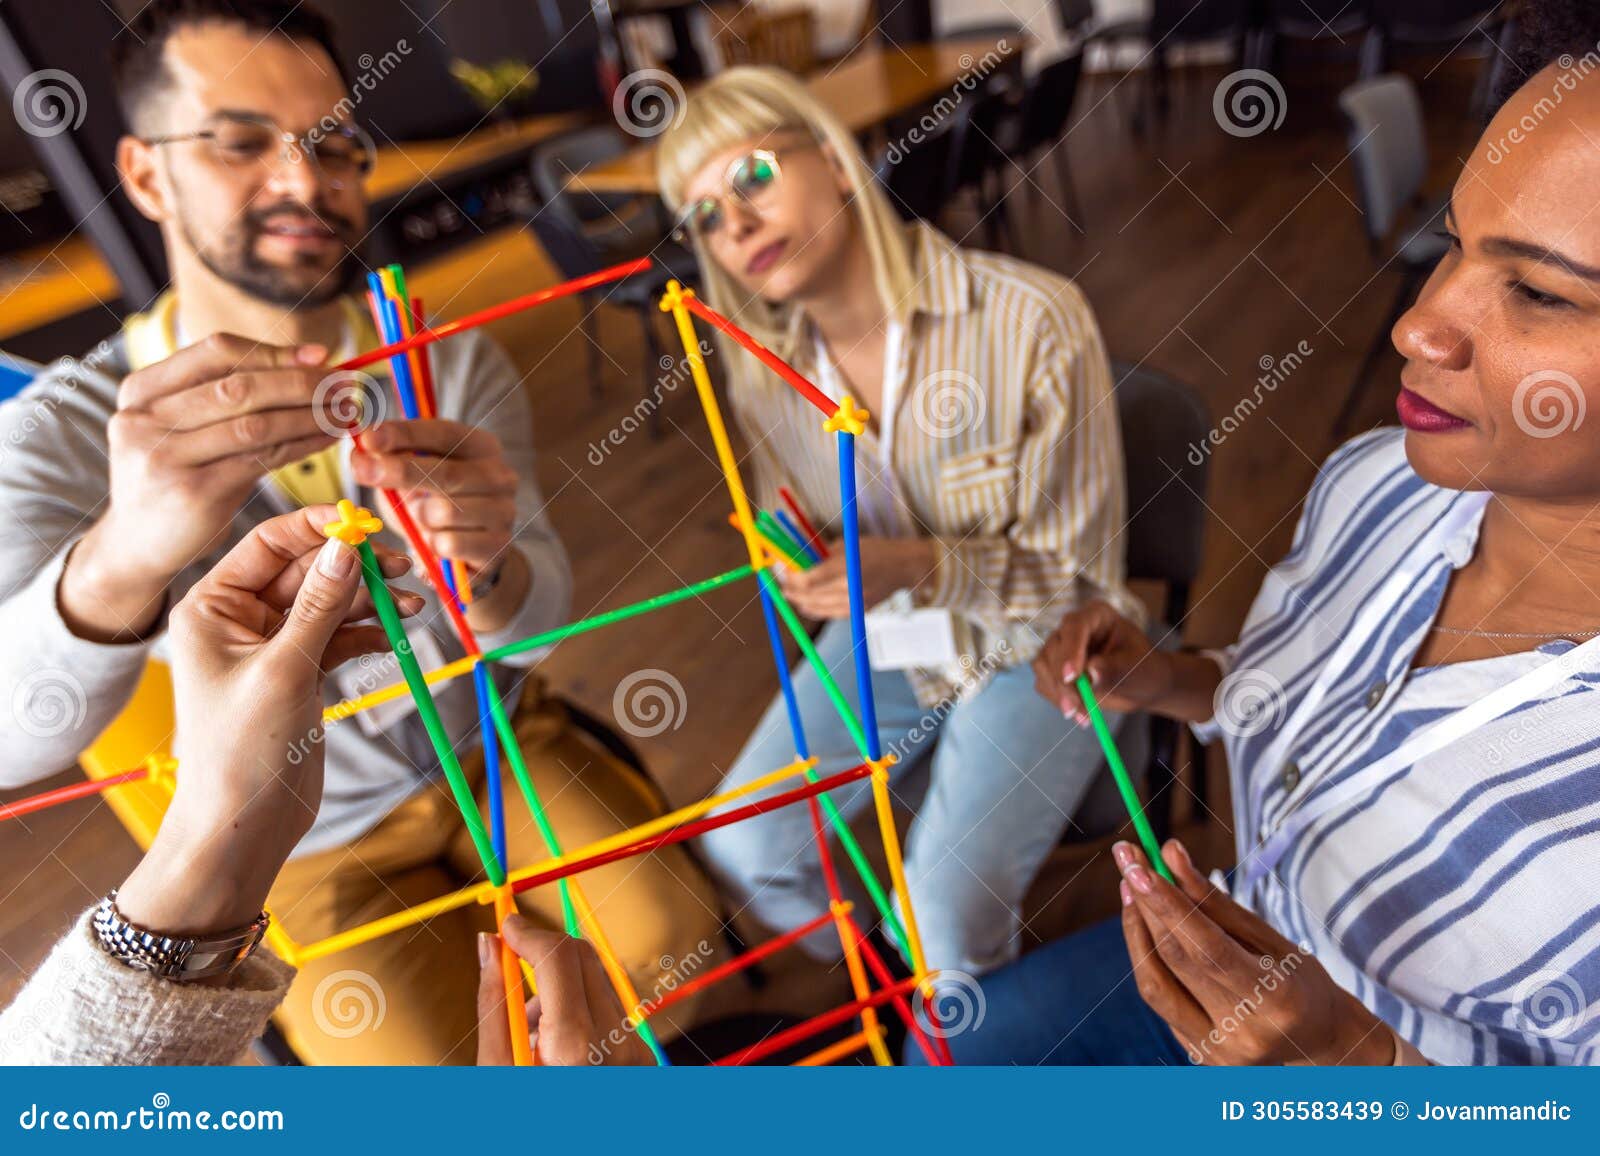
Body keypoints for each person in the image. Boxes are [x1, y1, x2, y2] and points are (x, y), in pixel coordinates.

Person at [0, 0, 717, 1064]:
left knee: (674, 950)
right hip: (303, 841)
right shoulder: (61, 432)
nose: (305, 181)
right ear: (146, 176)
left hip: (493, 750)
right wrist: (124, 554)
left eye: (331, 144)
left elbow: (536, 630)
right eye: (242, 140)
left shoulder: (440, 362)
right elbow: (18, 740)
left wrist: (488, 572)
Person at [923, 2, 1600, 1066]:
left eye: (1538, 290)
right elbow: (1292, 691)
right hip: (1231, 949)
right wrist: (1172, 679)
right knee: (950, 1051)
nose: (1416, 324)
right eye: (1457, 245)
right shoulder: (1377, 485)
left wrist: (1360, 1065)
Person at [655, 67, 1145, 979]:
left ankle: (955, 1020)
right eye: (705, 219)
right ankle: (907, 993)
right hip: (887, 635)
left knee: (947, 916)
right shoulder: (763, 376)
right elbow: (803, 536)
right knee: (745, 852)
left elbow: (1081, 582)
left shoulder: (1032, 317)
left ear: (837, 162)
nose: (737, 224)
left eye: (752, 177)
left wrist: (916, 561)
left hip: (1048, 638)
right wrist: (804, 568)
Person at [0, 509, 648, 1066]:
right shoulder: (51, 454)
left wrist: (489, 568)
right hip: (316, 853)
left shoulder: (426, 379)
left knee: (660, 937)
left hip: (492, 751)